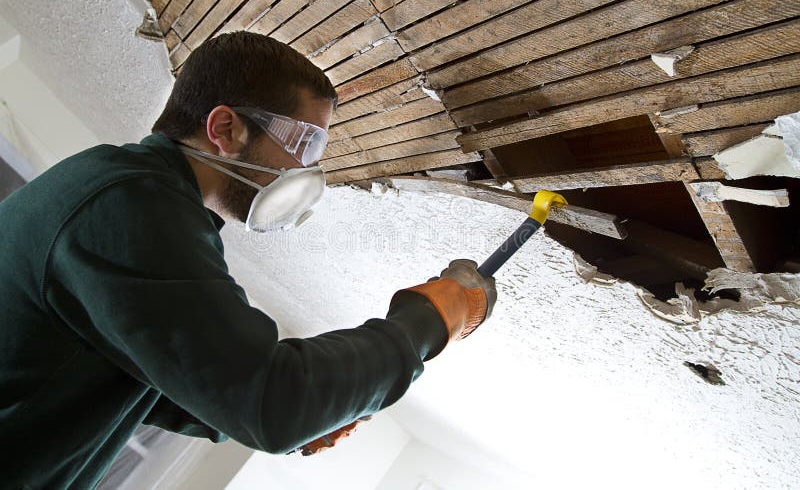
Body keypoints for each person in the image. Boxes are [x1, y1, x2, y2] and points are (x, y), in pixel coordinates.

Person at [0, 31, 496, 488]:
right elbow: (272, 400)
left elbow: (170, 380)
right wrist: (430, 318)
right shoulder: (128, 202)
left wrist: (306, 418)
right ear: (225, 127)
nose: (308, 168)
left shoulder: (126, 195)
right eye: (305, 143)